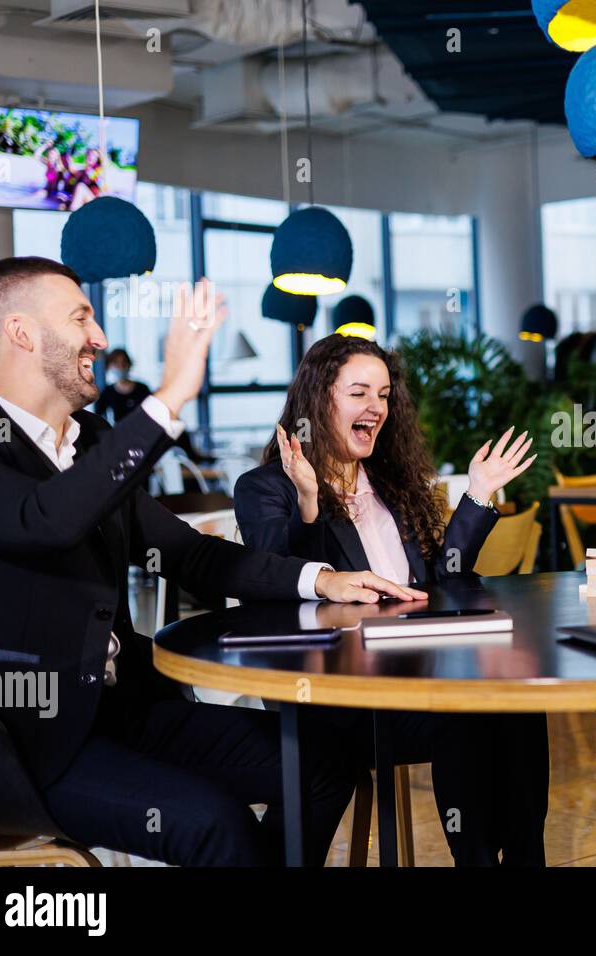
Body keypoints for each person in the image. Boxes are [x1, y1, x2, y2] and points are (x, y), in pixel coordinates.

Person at [0, 256, 424, 867]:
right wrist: (170, 395)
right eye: (81, 318)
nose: (99, 337)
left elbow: (190, 554)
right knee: (215, 826)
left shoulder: (91, 440)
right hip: (28, 746)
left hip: (125, 714)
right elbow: (44, 520)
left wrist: (321, 577)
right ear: (21, 332)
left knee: (319, 763)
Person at [233, 333, 550, 865]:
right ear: (320, 397)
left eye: (383, 395)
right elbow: (274, 579)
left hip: (409, 679)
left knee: (518, 697)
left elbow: (437, 581)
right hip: (334, 695)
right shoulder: (266, 486)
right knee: (462, 712)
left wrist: (476, 496)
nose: (376, 408)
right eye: (360, 393)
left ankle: (524, 858)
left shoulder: (390, 484)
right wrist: (309, 501)